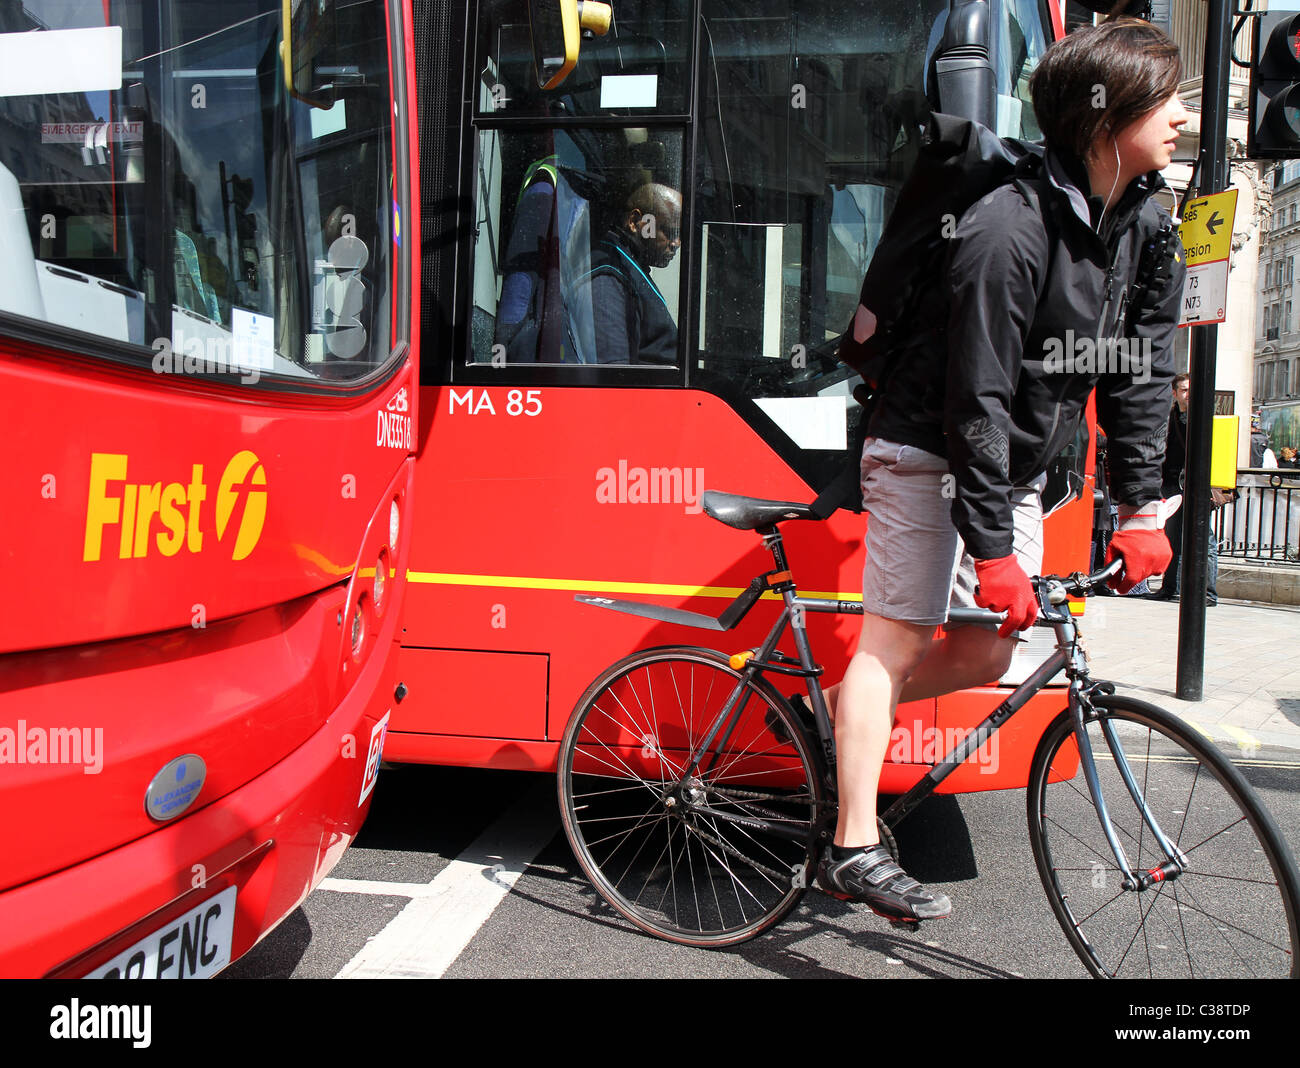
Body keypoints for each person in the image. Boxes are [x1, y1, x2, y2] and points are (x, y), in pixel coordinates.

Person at [816, 17, 1186, 922]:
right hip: (925, 445)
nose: (1183, 119)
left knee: (990, 644)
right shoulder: (1006, 225)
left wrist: (1139, 509)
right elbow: (972, 395)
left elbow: (1141, 374)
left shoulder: (1143, 225)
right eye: (1167, 100)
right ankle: (853, 844)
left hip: (1006, 464)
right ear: (1107, 119)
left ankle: (849, 704)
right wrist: (991, 551)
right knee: (895, 638)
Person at [583, 182, 682, 364]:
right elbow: (614, 371)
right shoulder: (609, 273)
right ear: (635, 222)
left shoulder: (628, 264)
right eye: (668, 231)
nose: (676, 243)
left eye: (679, 234)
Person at [1149, 372, 1221, 604]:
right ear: (1174, 393)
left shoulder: (1205, 418)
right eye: (1184, 390)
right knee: (1172, 537)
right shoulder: (1168, 418)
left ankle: (1207, 592)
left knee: (1204, 539)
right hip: (1171, 485)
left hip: (1198, 485)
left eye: (1191, 389)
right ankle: (1170, 588)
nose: (1188, 394)